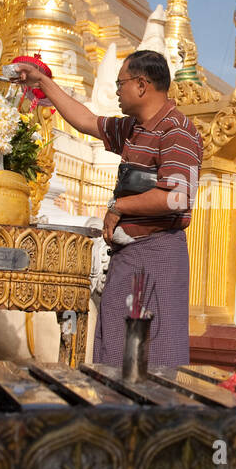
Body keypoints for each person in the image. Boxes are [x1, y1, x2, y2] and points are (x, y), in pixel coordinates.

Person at [14, 50, 202, 366]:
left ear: (142, 85)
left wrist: (119, 206)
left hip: (156, 256)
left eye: (121, 83)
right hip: (127, 257)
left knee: (152, 360)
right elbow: (86, 120)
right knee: (115, 354)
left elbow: (177, 197)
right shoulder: (134, 128)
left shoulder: (176, 130)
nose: (116, 90)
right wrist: (44, 82)